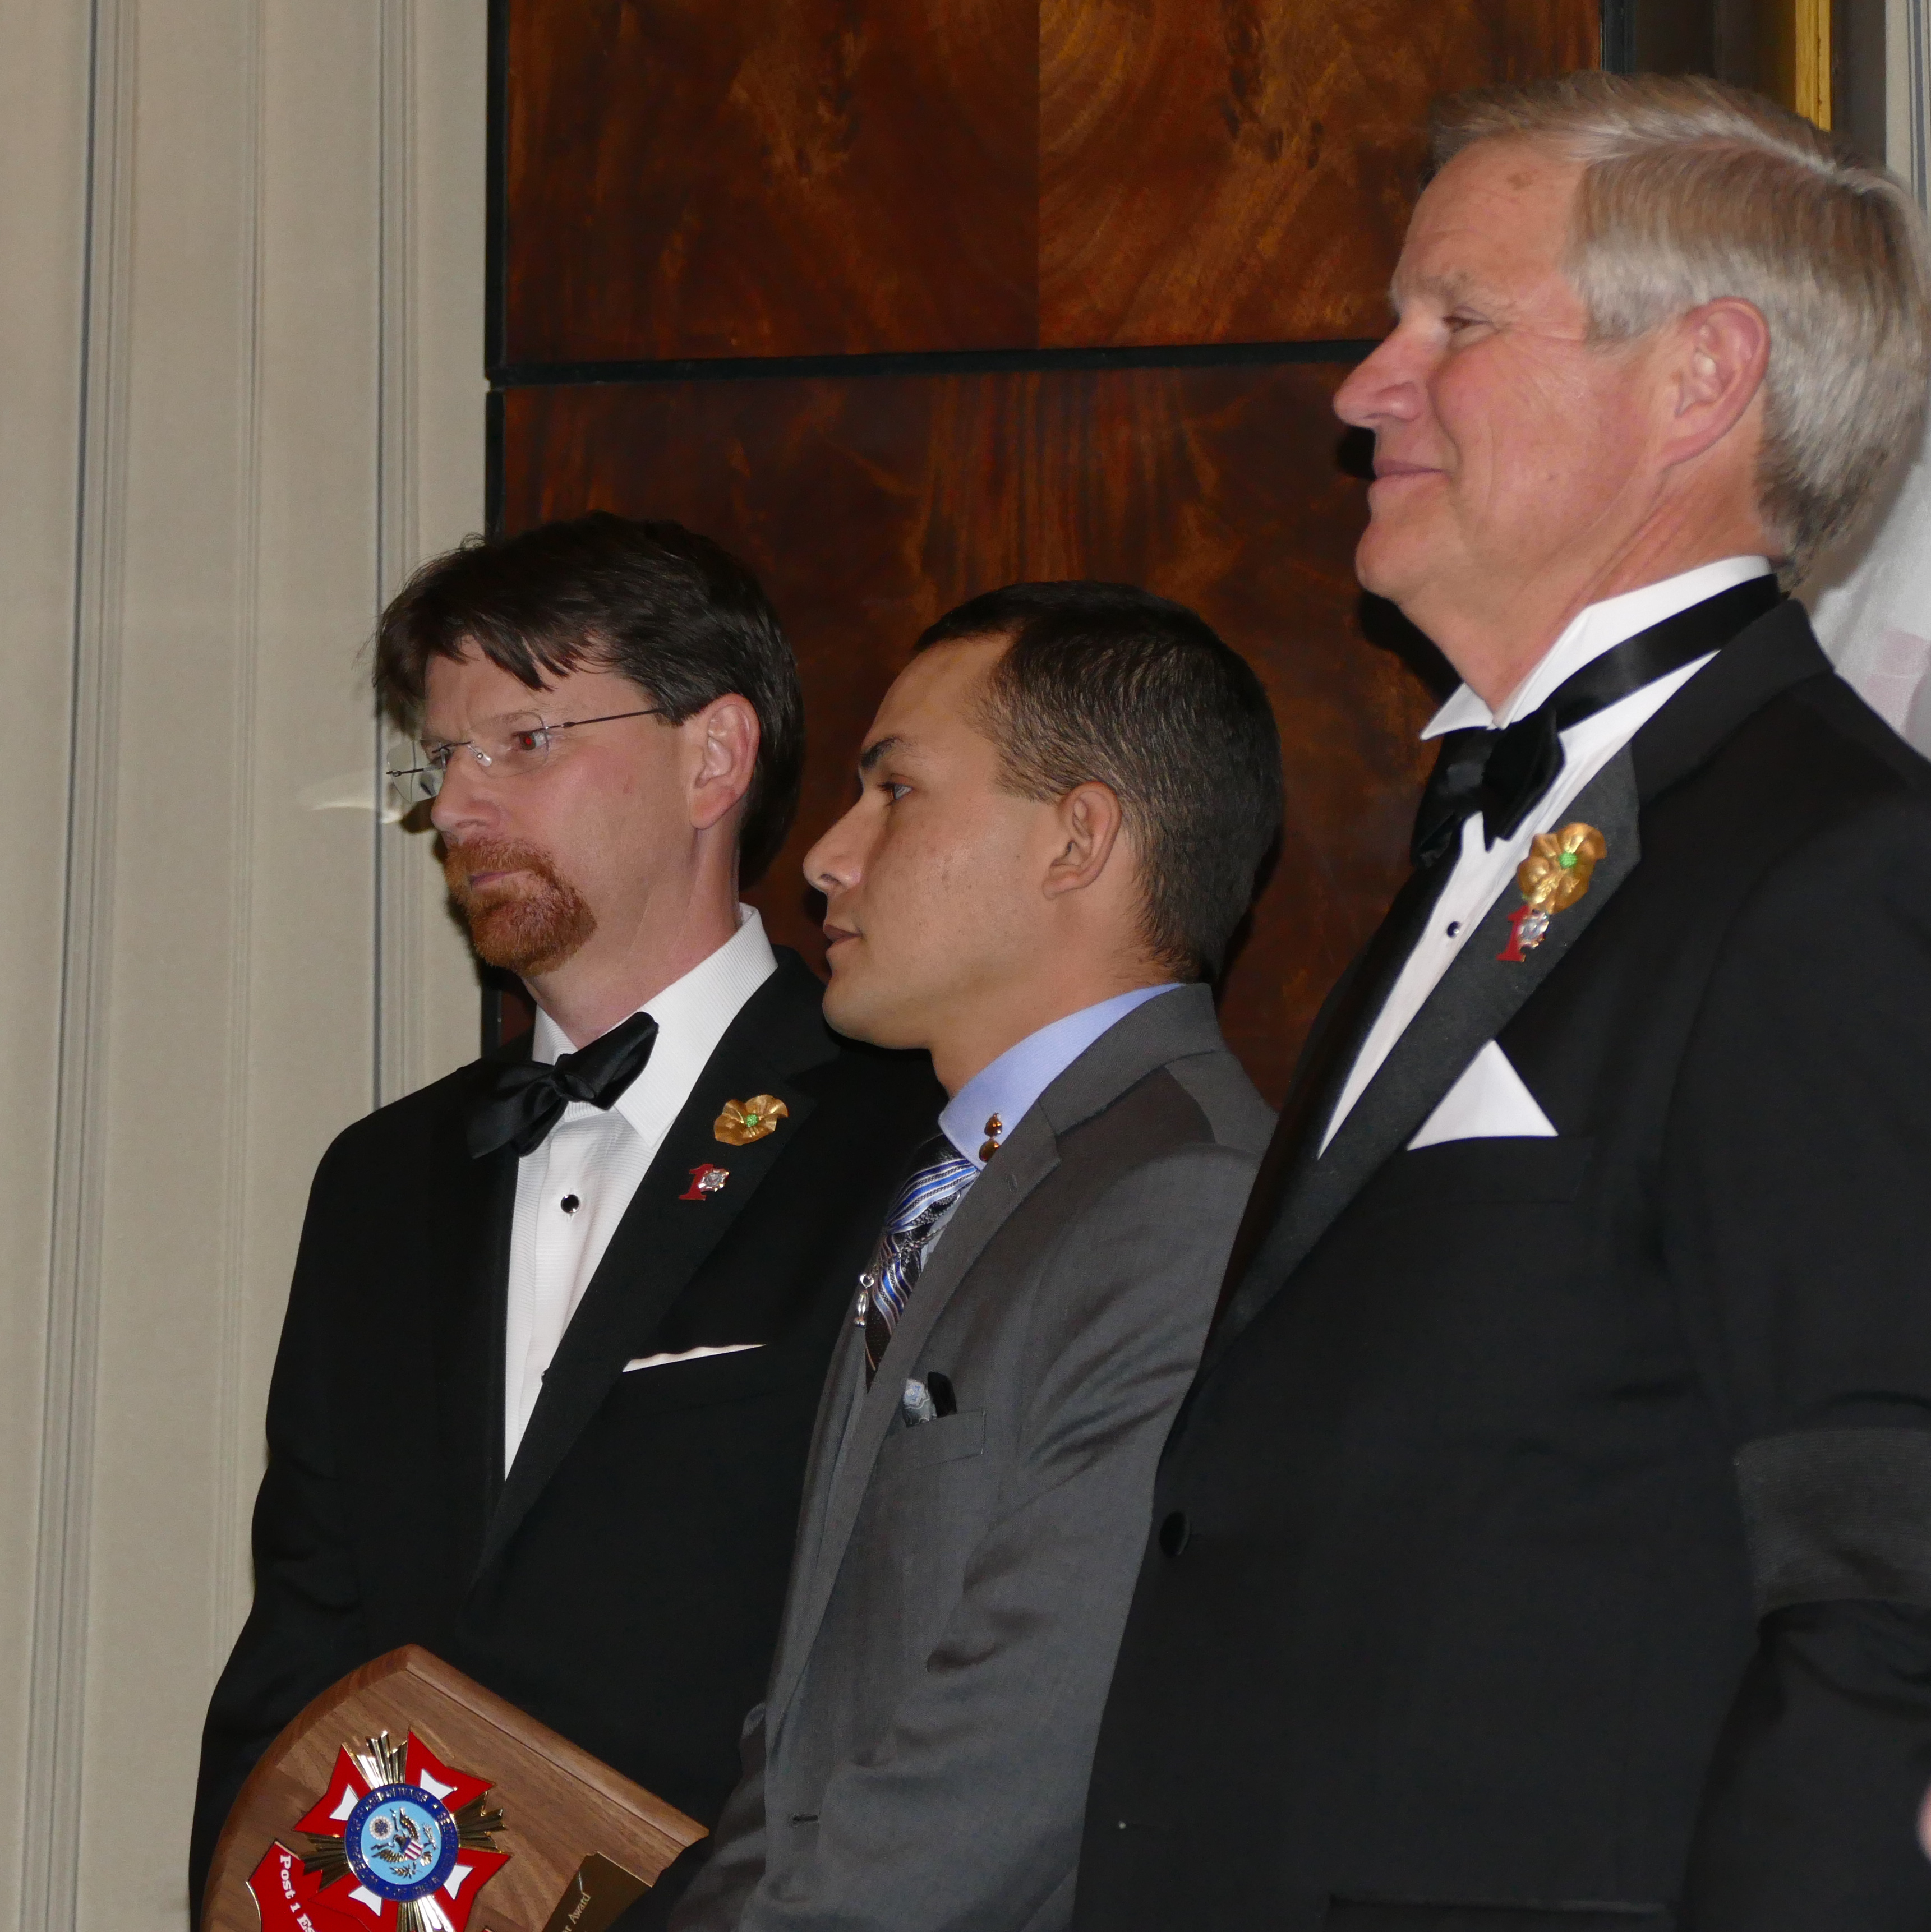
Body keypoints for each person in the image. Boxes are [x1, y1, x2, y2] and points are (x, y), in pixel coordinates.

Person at [1077, 72, 1931, 1932]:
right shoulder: (1493, 843)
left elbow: (1880, 1573)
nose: (1363, 387)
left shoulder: (1829, 869)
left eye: (1453, 321)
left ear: (1696, 381)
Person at [189, 514, 940, 1922]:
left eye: (524, 742)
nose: (459, 808)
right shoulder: (379, 1179)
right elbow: (307, 1638)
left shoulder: (909, 1132)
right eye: (443, 759)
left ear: (713, 755)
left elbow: (928, 1647)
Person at [670, 582, 1281, 1931]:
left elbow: (1011, 1764)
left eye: (894, 792)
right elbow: (809, 1736)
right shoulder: (987, 1177)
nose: (828, 855)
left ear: (1079, 839)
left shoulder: (1178, 1197)